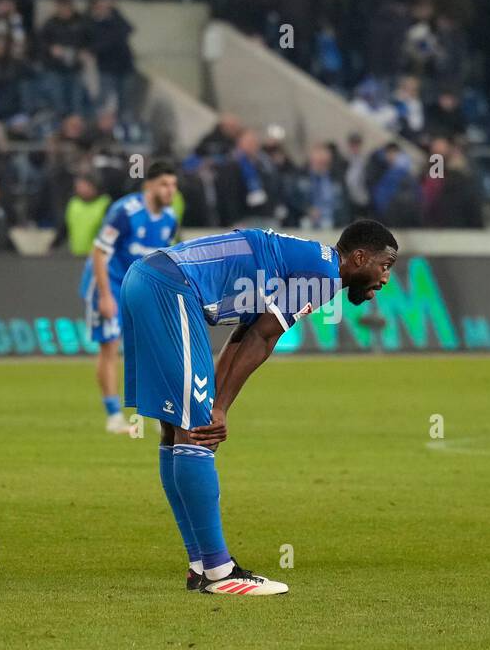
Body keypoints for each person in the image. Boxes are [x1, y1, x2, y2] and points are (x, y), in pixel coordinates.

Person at [121, 219, 398, 595]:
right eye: (385, 265)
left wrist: (217, 404)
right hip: (171, 287)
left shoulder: (303, 260)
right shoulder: (324, 275)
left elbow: (245, 334)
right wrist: (218, 409)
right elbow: (263, 339)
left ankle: (200, 565)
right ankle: (219, 572)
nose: (385, 278)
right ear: (360, 258)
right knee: (196, 430)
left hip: (145, 279)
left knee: (177, 429)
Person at [81, 161, 178, 434]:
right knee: (110, 345)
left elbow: (161, 260)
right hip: (109, 283)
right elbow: (99, 251)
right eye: (164, 184)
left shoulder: (170, 219)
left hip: (138, 288)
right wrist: (105, 296)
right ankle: (114, 416)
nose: (170, 190)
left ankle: (159, 413)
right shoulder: (125, 212)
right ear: (149, 186)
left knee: (152, 347)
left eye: (173, 185)